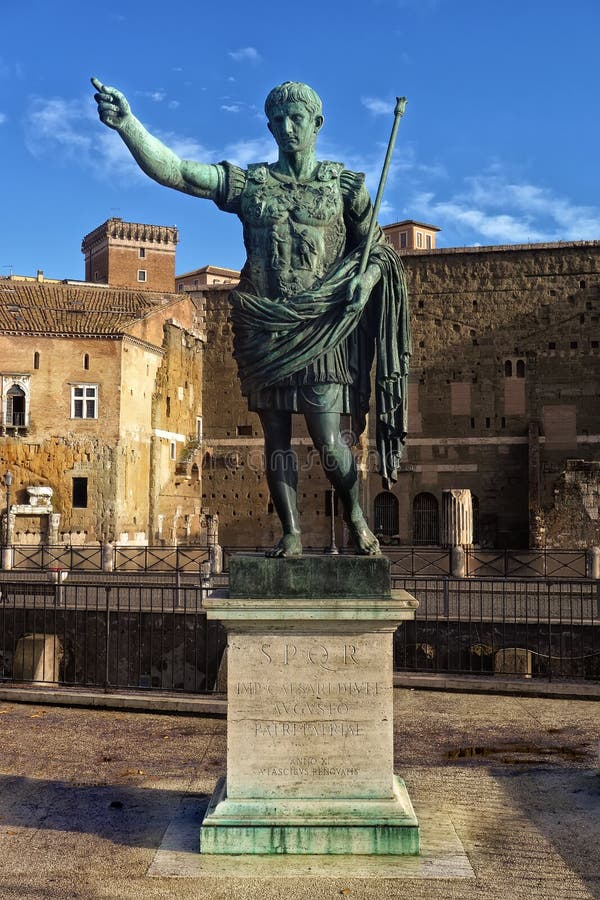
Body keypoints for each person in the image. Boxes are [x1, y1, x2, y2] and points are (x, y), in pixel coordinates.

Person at [91, 78, 410, 557]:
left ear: (317, 124)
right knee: (276, 438)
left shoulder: (344, 187)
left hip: (321, 328)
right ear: (268, 126)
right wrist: (128, 125)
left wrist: (364, 283)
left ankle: (358, 519)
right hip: (264, 326)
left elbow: (378, 251)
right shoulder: (251, 184)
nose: (286, 127)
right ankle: (292, 534)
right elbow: (178, 171)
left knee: (328, 440)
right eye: (277, 120)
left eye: (296, 118)